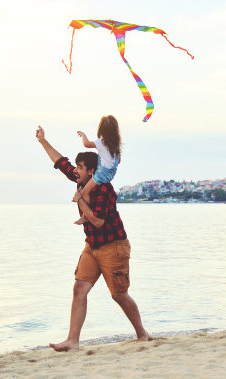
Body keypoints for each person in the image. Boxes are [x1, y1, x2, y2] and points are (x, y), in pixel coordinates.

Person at [35, 125, 149, 352]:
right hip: (92, 246)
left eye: (79, 167)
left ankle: (142, 334)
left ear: (91, 171)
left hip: (113, 246)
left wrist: (79, 200)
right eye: (76, 167)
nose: (75, 170)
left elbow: (97, 221)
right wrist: (43, 141)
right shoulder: (81, 180)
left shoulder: (104, 189)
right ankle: (72, 341)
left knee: (119, 294)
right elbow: (61, 162)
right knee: (79, 288)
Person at [74, 115, 121, 225]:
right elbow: (118, 160)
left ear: (101, 129)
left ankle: (87, 216)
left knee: (85, 191)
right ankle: (88, 214)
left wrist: (83, 135)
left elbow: (86, 144)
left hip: (101, 174)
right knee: (90, 190)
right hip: (111, 173)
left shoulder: (101, 142)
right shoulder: (115, 145)